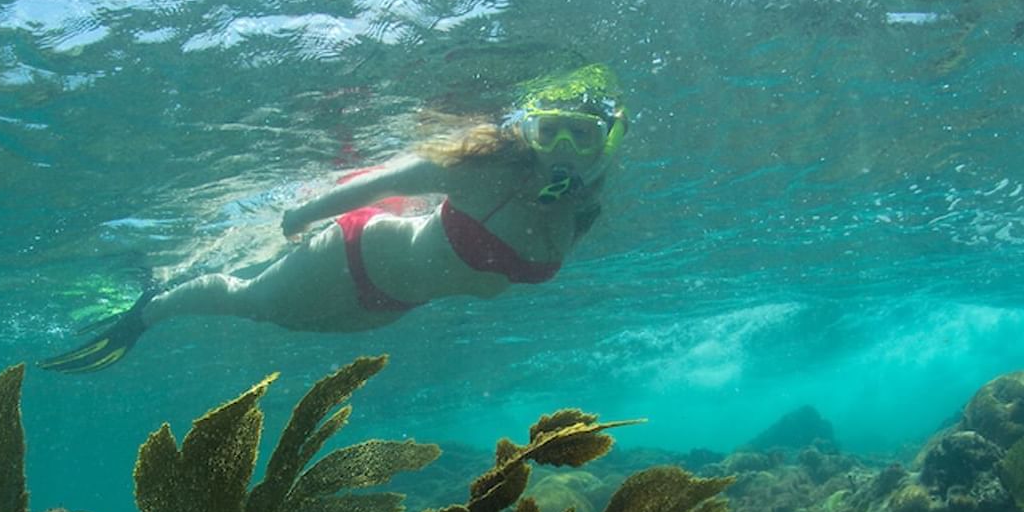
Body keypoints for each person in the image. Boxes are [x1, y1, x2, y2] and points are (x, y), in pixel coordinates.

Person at [40, 64, 627, 373]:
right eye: (553, 132)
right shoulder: (488, 169)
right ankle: (146, 313)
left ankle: (153, 305)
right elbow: (394, 178)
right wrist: (303, 213)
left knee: (284, 324)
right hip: (347, 257)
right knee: (252, 302)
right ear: (529, 132)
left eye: (584, 135)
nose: (566, 150)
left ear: (608, 140)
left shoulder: (582, 209)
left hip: (388, 308)